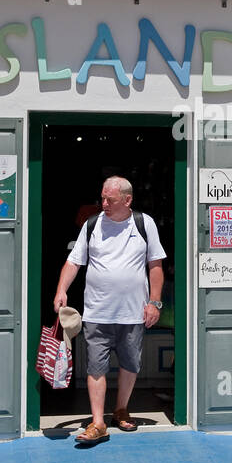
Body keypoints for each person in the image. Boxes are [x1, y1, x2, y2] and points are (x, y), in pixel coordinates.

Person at [54, 176, 165, 444]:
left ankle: (121, 410)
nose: (103, 204)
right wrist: (61, 289)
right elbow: (74, 261)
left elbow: (156, 265)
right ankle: (98, 422)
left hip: (132, 312)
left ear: (127, 200)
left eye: (110, 200)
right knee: (96, 367)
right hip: (97, 312)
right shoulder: (92, 225)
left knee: (130, 364)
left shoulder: (143, 223)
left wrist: (155, 302)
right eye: (102, 198)